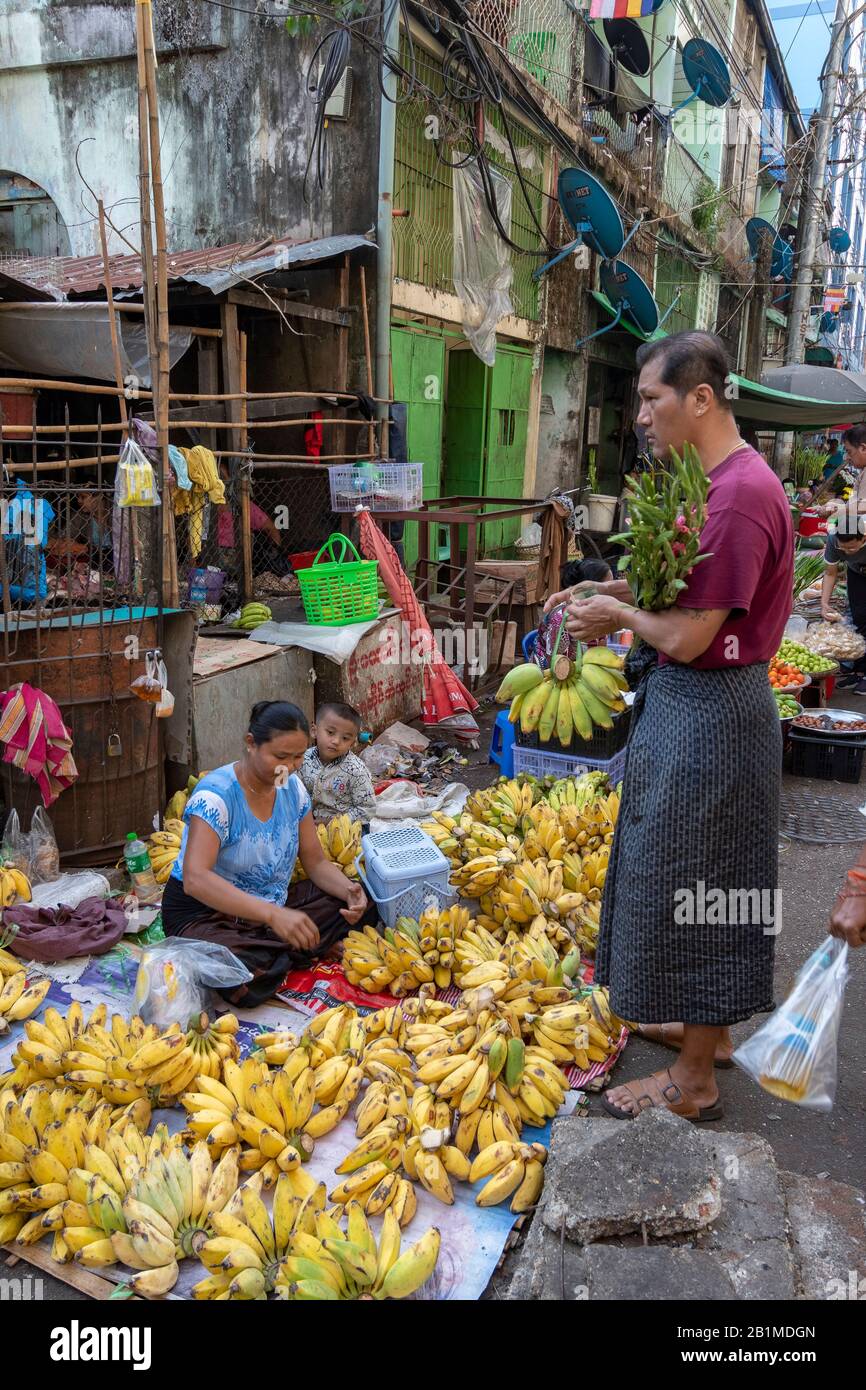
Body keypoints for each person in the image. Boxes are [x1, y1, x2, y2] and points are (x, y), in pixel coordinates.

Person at [564, 331, 793, 1124]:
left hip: (714, 712)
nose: (641, 416)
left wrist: (620, 613)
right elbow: (692, 588)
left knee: (705, 885)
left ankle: (693, 1081)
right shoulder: (717, 483)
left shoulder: (737, 495)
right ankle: (708, 1036)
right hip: (697, 707)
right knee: (687, 879)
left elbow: (692, 634)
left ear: (701, 399)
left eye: (652, 399)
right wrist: (619, 590)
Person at [161, 700, 370, 1005]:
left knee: (368, 896)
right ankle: (295, 946)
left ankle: (286, 946)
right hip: (206, 913)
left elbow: (315, 862)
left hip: (269, 907)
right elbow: (195, 879)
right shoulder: (215, 795)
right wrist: (274, 915)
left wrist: (349, 891)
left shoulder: (289, 786)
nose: (291, 765)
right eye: (281, 756)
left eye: (299, 756)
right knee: (248, 979)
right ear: (251, 744)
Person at [298, 702, 376, 826]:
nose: (336, 741)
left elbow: (367, 809)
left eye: (345, 738)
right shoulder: (303, 759)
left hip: (344, 827)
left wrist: (334, 823)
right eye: (330, 732)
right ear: (314, 731)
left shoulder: (356, 770)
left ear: (352, 743)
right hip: (308, 822)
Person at [530, 558, 613, 668]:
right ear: (586, 590)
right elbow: (555, 664)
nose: (612, 594)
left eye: (613, 585)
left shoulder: (597, 612)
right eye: (606, 588)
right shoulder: (560, 620)